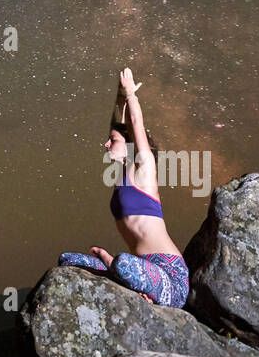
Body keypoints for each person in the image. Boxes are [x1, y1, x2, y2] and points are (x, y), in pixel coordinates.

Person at [58, 67, 190, 308]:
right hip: (140, 270)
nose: (106, 143)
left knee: (122, 264)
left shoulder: (144, 166)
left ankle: (115, 269)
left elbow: (135, 123)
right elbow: (120, 122)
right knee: (68, 260)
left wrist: (131, 94)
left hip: (169, 276)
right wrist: (120, 95)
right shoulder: (121, 174)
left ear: (129, 145)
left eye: (113, 140)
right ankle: (122, 277)